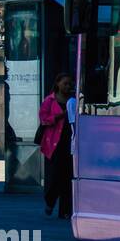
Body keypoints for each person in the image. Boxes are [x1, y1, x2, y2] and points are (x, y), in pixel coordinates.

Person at [38, 72, 75, 219]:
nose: (67, 86)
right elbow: (43, 119)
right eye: (65, 83)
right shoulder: (50, 100)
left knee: (67, 177)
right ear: (58, 84)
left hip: (69, 141)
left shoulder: (73, 100)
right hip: (53, 143)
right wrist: (60, 115)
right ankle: (50, 200)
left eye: (69, 84)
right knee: (55, 176)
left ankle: (65, 210)